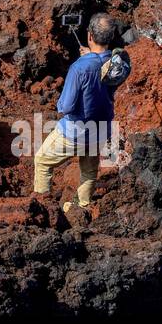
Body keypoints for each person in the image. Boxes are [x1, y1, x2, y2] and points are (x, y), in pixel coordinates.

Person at [33, 13, 130, 215]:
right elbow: (103, 69)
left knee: (42, 161)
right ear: (111, 38)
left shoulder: (79, 68)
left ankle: (42, 209)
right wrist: (93, 56)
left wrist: (86, 60)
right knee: (88, 171)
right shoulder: (118, 63)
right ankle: (81, 207)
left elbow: (66, 106)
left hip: (75, 131)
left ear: (90, 36)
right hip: (101, 130)